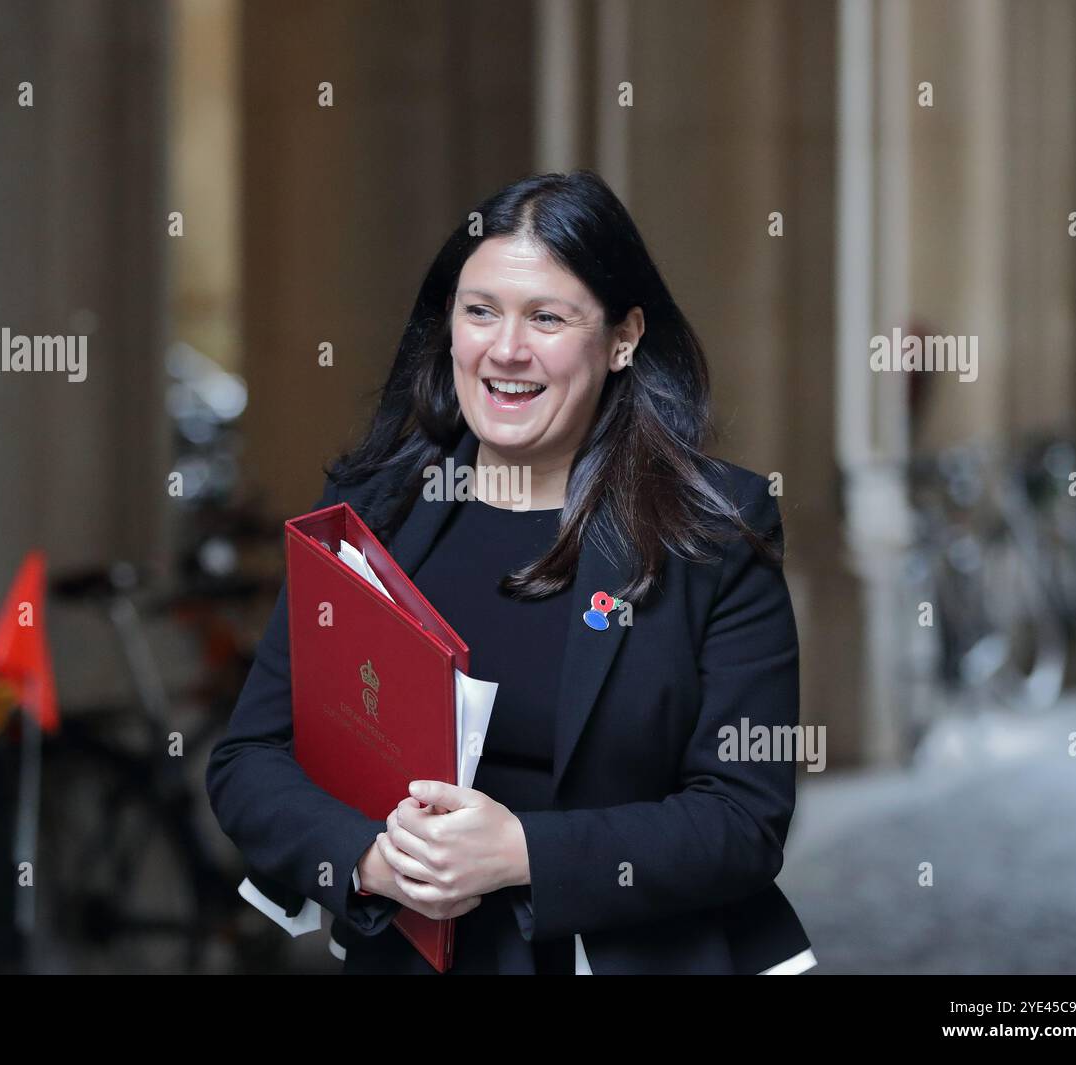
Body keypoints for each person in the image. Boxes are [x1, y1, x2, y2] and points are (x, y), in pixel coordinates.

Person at [206, 169, 816, 975]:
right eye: (481, 311)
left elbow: (744, 818)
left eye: (548, 317)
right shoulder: (376, 507)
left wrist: (521, 851)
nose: (506, 349)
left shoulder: (714, 529)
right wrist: (369, 861)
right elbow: (249, 756)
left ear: (624, 336)